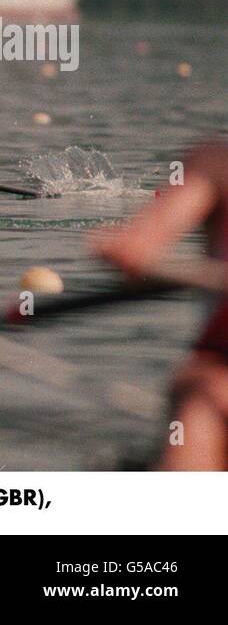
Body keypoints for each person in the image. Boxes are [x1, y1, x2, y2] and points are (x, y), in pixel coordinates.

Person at [92, 140, 228, 470]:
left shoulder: (215, 161)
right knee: (204, 390)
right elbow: (134, 251)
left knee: (202, 389)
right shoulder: (217, 163)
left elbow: (132, 252)